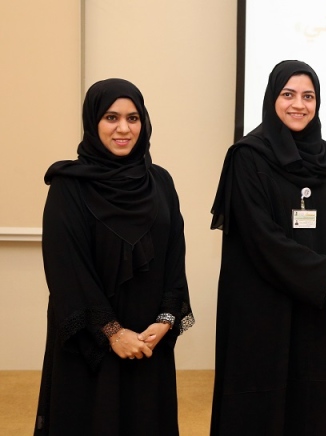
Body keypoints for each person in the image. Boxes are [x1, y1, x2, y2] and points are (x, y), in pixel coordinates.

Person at [209, 60, 326, 435]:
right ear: (272, 99)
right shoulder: (248, 156)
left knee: (307, 397)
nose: (299, 104)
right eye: (288, 94)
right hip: (260, 302)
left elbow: (324, 220)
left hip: (308, 304)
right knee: (258, 399)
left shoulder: (325, 156)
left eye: (308, 96)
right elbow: (260, 236)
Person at [34, 78, 195, 436]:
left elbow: (175, 257)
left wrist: (166, 319)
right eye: (111, 117)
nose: (123, 128)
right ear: (93, 122)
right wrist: (112, 332)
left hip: (149, 339)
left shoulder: (160, 182)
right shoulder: (68, 185)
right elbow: (67, 269)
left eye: (132, 118)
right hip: (91, 341)